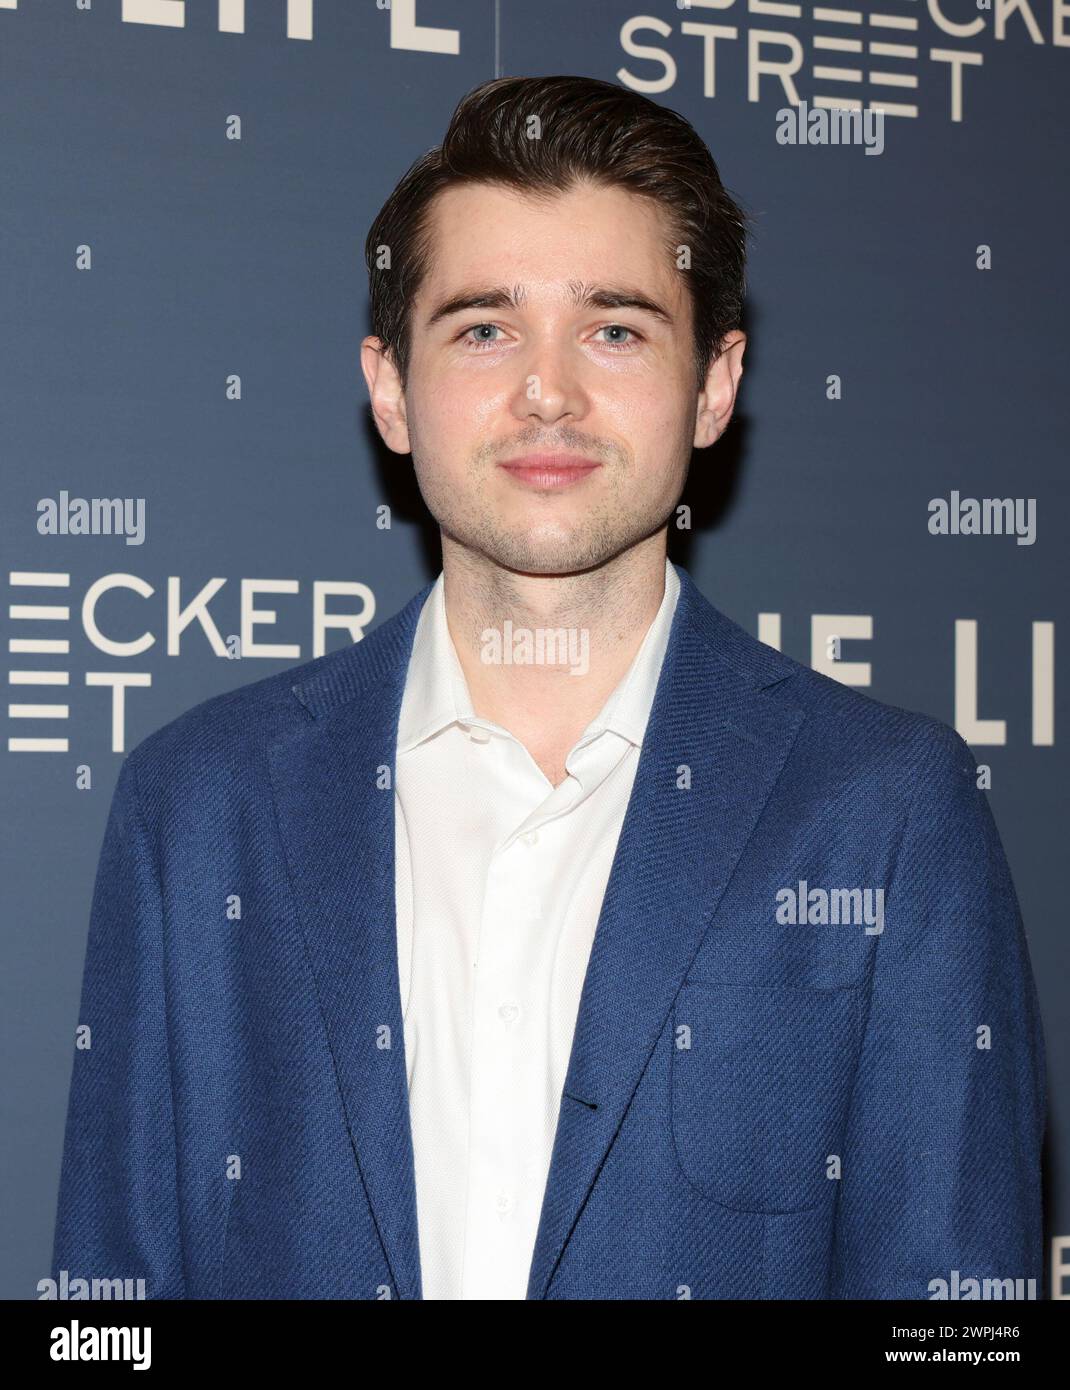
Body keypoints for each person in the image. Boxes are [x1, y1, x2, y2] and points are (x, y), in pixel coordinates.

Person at [51, 75, 1046, 1300]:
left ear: (715, 385)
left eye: (615, 328)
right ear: (388, 388)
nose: (547, 390)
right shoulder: (194, 806)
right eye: (483, 327)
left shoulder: (888, 812)